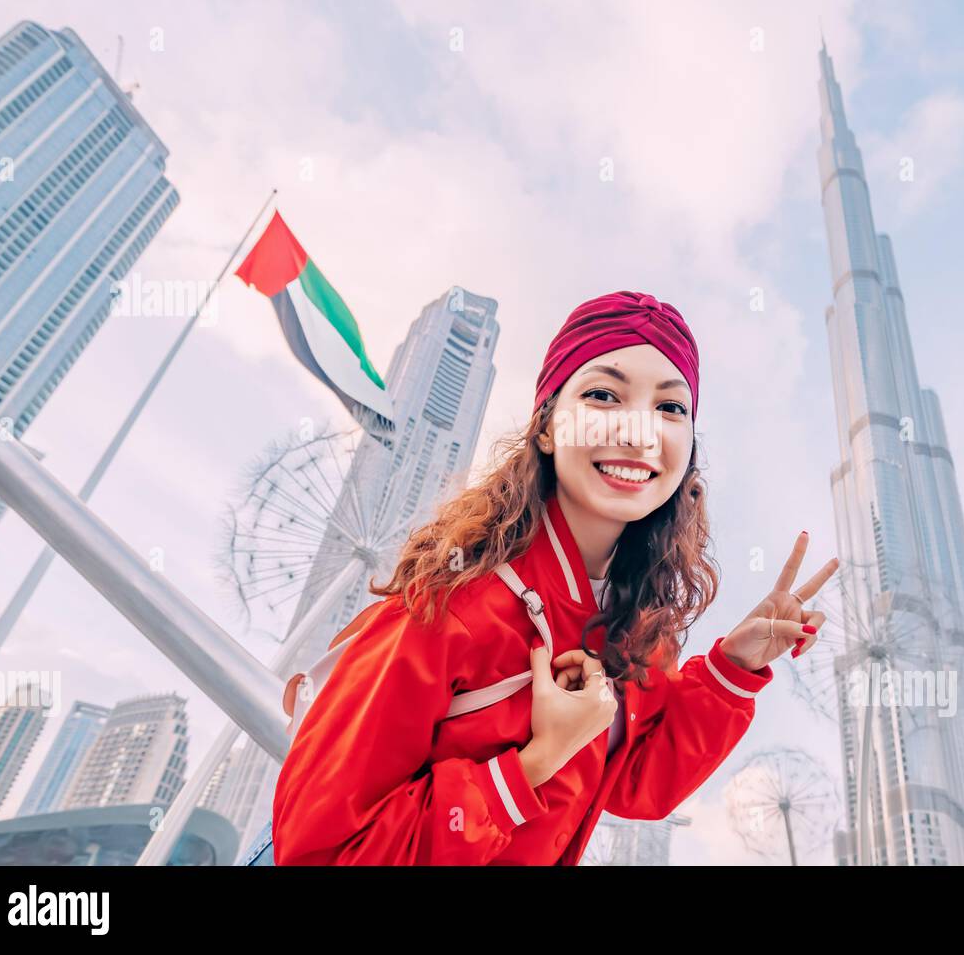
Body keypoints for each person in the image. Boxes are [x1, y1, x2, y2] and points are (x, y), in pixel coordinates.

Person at [269, 290, 838, 865]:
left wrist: (733, 668)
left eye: (671, 409)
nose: (641, 432)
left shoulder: (633, 621)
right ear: (545, 427)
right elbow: (321, 850)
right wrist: (533, 765)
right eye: (602, 395)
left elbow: (639, 780)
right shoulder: (452, 608)